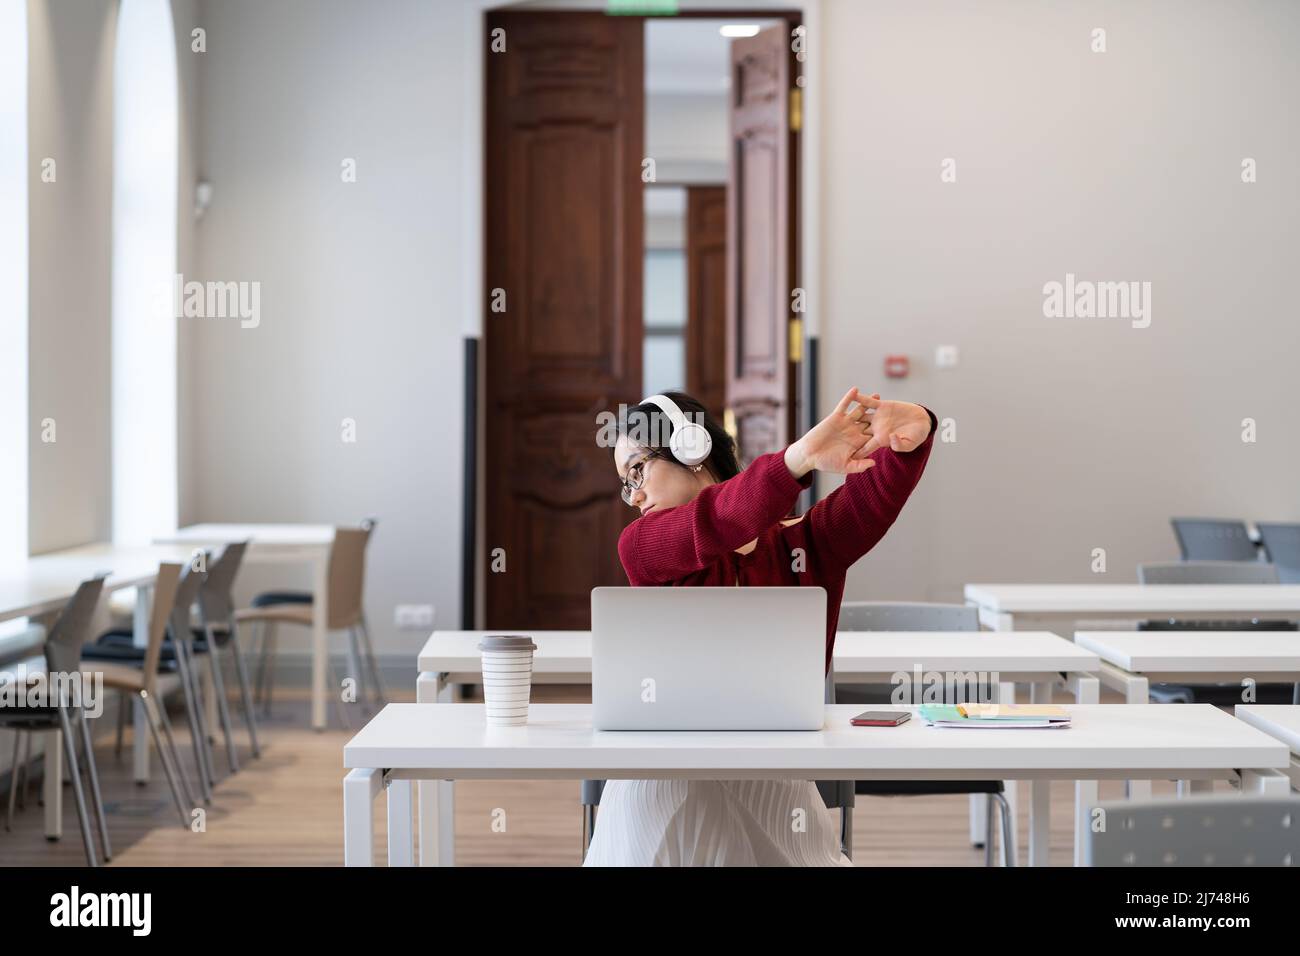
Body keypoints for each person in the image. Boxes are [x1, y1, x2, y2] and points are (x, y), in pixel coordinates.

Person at [583, 387, 937, 866]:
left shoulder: (807, 544)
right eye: (626, 484)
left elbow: (873, 498)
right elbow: (716, 520)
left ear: (690, 449)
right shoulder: (642, 545)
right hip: (663, 780)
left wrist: (913, 433)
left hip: (776, 781)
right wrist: (798, 459)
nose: (635, 495)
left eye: (638, 471)